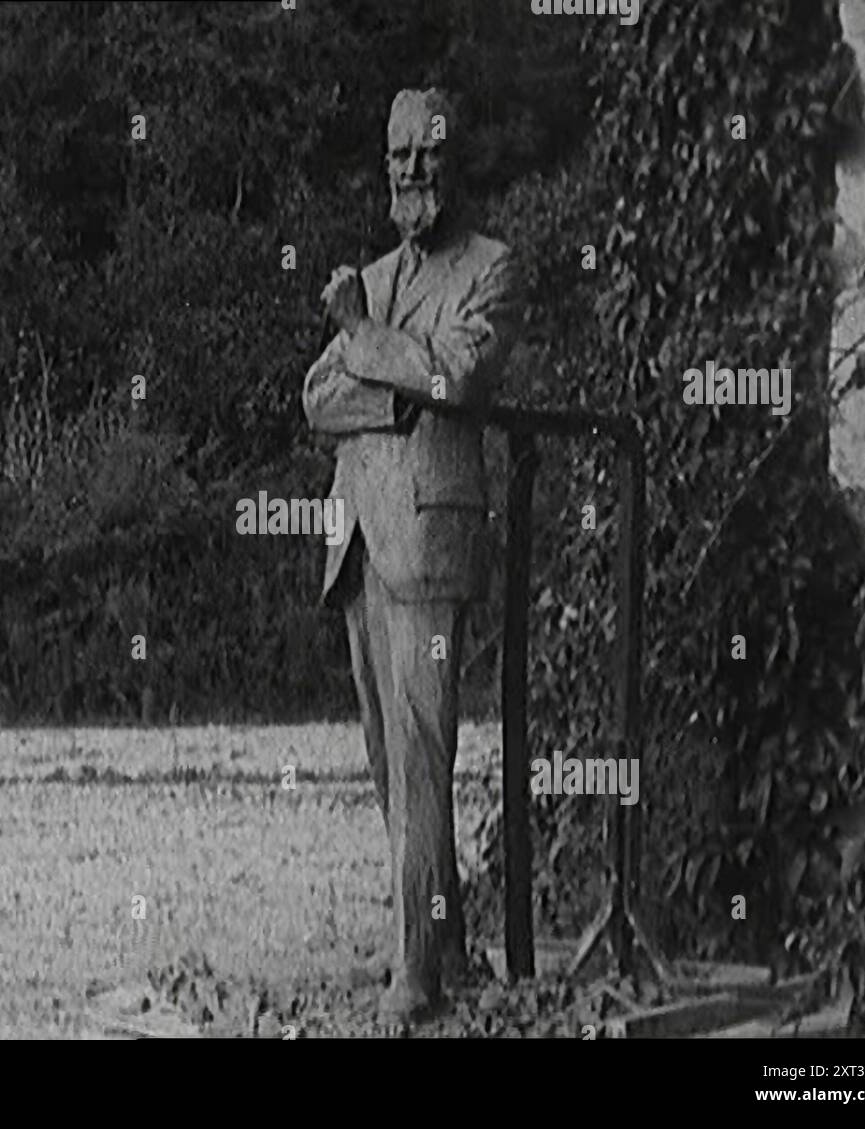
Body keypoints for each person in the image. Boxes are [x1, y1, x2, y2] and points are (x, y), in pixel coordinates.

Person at [303, 89, 517, 1023]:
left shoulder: (493, 268)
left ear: (455, 160)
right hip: (358, 541)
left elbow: (459, 376)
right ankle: (450, 944)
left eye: (426, 153)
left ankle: (417, 974)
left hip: (430, 537)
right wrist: (393, 389)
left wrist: (364, 342)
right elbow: (316, 398)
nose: (410, 171)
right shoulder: (378, 275)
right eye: (397, 154)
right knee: (391, 763)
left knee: (426, 755)